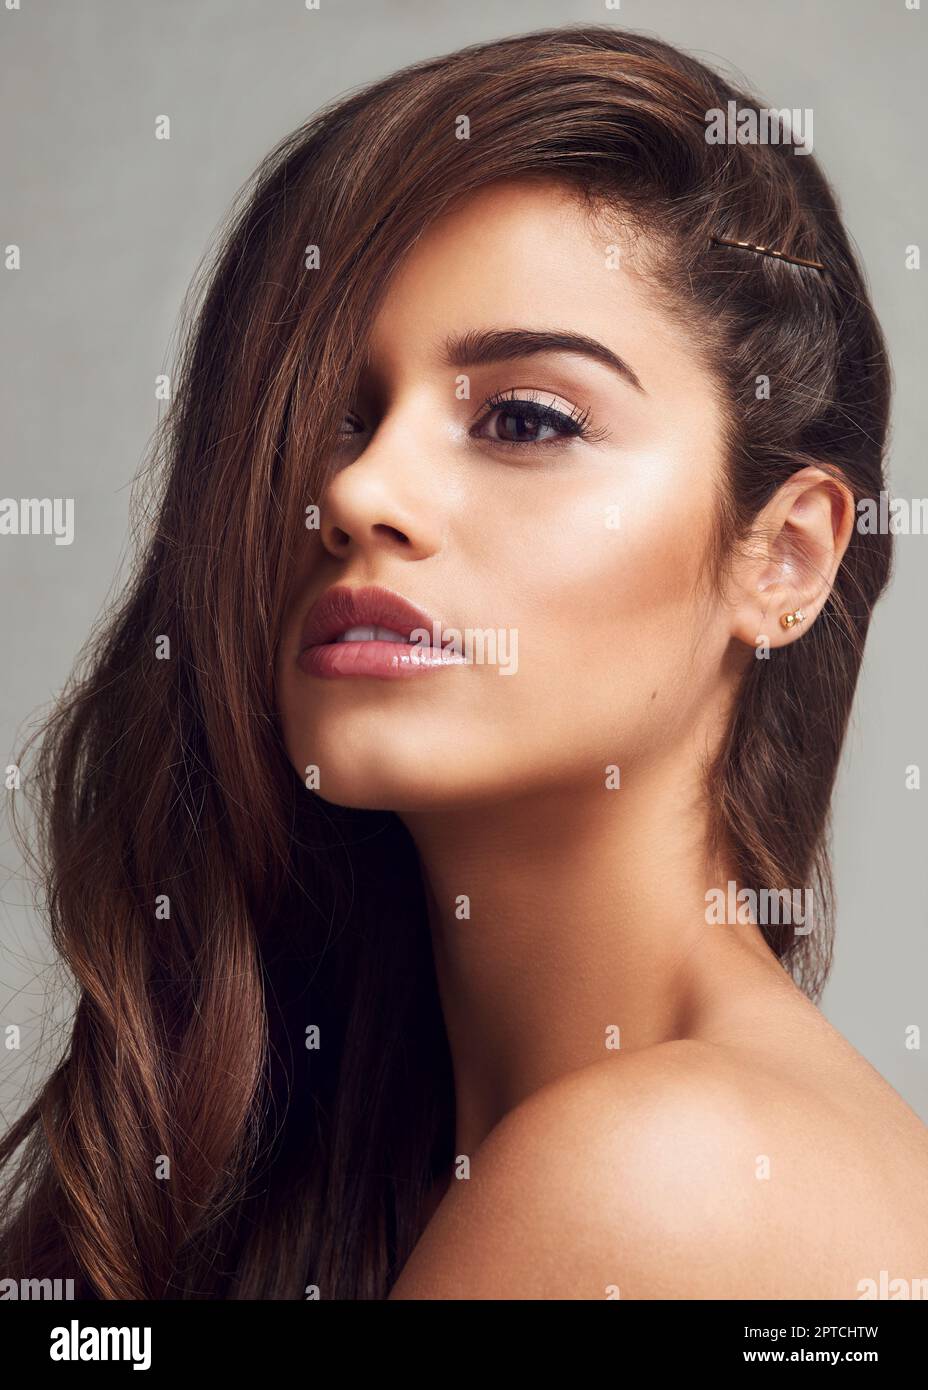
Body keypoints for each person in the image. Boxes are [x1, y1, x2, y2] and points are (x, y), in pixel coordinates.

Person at [3, 24, 926, 1300]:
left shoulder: (664, 1179)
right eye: (333, 417)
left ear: (783, 558)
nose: (357, 489)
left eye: (526, 419)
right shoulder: (425, 1153)